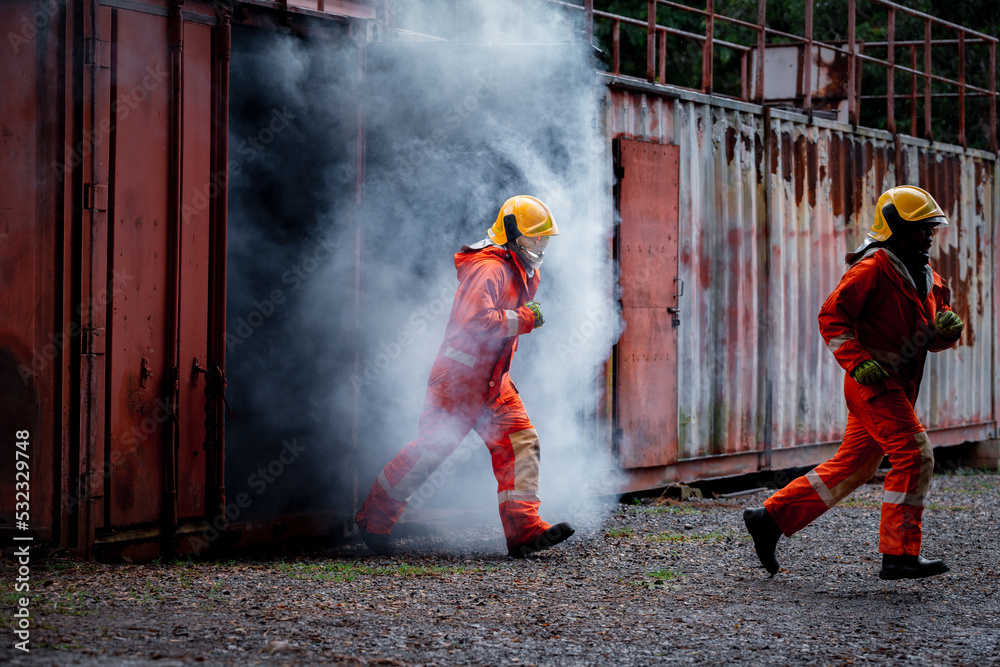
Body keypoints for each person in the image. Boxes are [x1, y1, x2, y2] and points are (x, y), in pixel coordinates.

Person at [744, 185, 964, 580]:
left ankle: (769, 519)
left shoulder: (930, 278)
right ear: (897, 227)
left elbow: (932, 338)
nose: (929, 234)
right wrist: (858, 362)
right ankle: (899, 556)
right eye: (921, 228)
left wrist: (946, 331)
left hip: (896, 385)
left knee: (855, 467)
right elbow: (831, 318)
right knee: (915, 456)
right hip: (872, 385)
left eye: (931, 227)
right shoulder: (873, 268)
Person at [355, 195, 574, 558]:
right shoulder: (490, 269)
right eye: (535, 238)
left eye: (544, 239)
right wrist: (525, 319)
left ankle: (525, 531)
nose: (541, 245)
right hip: (457, 383)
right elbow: (474, 323)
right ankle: (372, 520)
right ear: (512, 235)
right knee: (428, 454)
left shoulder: (518, 268)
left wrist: (522, 317)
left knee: (520, 443)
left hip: (492, 383)